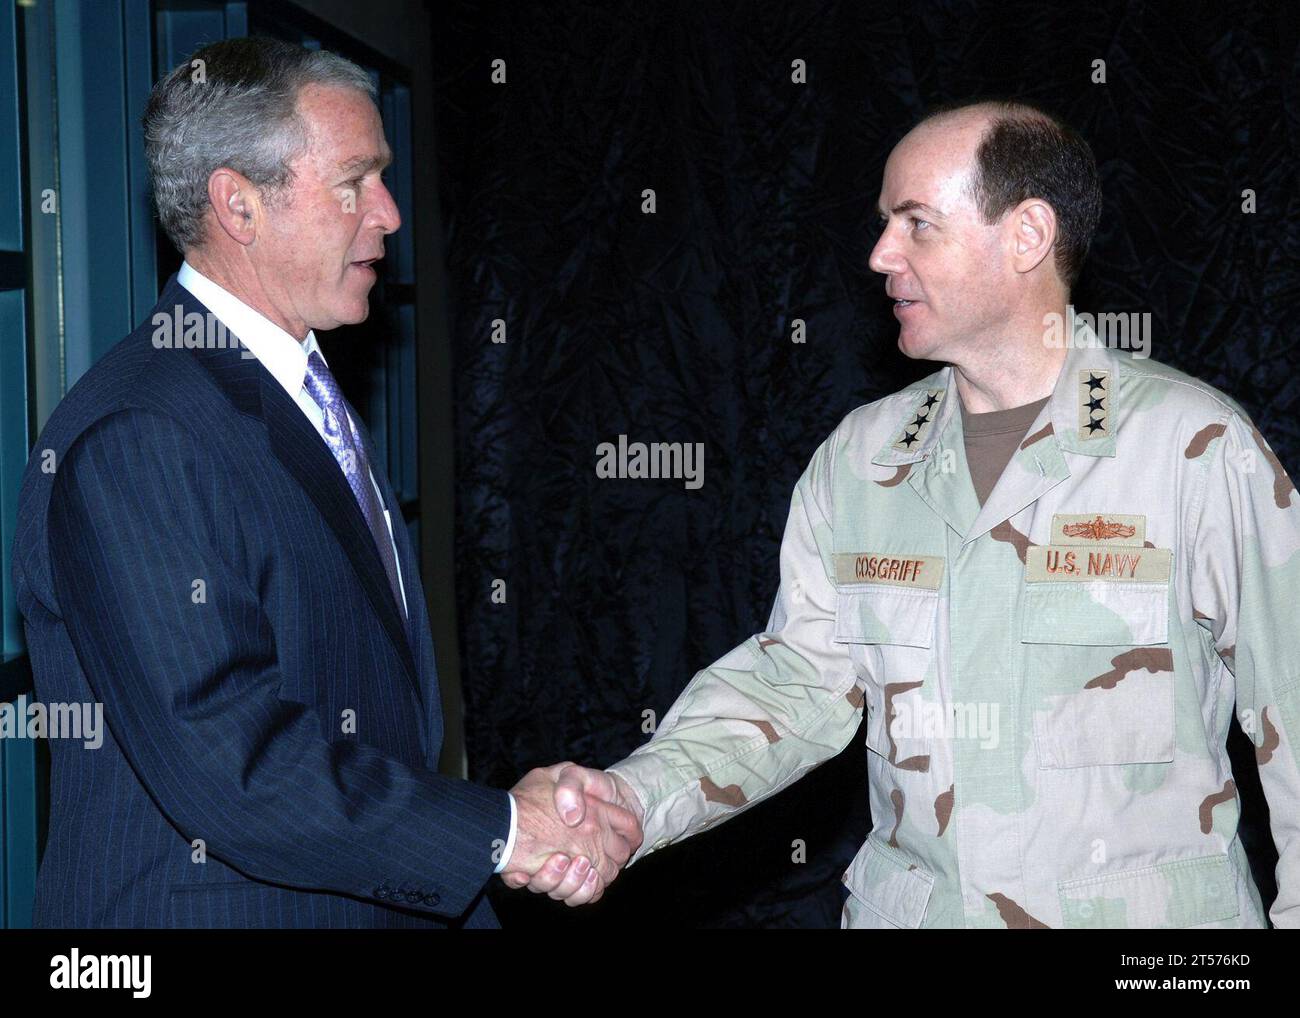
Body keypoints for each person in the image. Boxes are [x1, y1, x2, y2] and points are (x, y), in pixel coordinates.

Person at [532, 99, 1300, 928]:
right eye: (883, 222)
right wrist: (637, 799)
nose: (880, 254)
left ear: (1027, 235)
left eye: (916, 223)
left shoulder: (1192, 447)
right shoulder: (864, 457)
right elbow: (797, 684)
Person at [11, 36, 637, 928]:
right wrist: (502, 831)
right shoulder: (142, 431)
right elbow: (233, 763)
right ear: (239, 205)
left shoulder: (288, 380)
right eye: (354, 181)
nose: (387, 211)